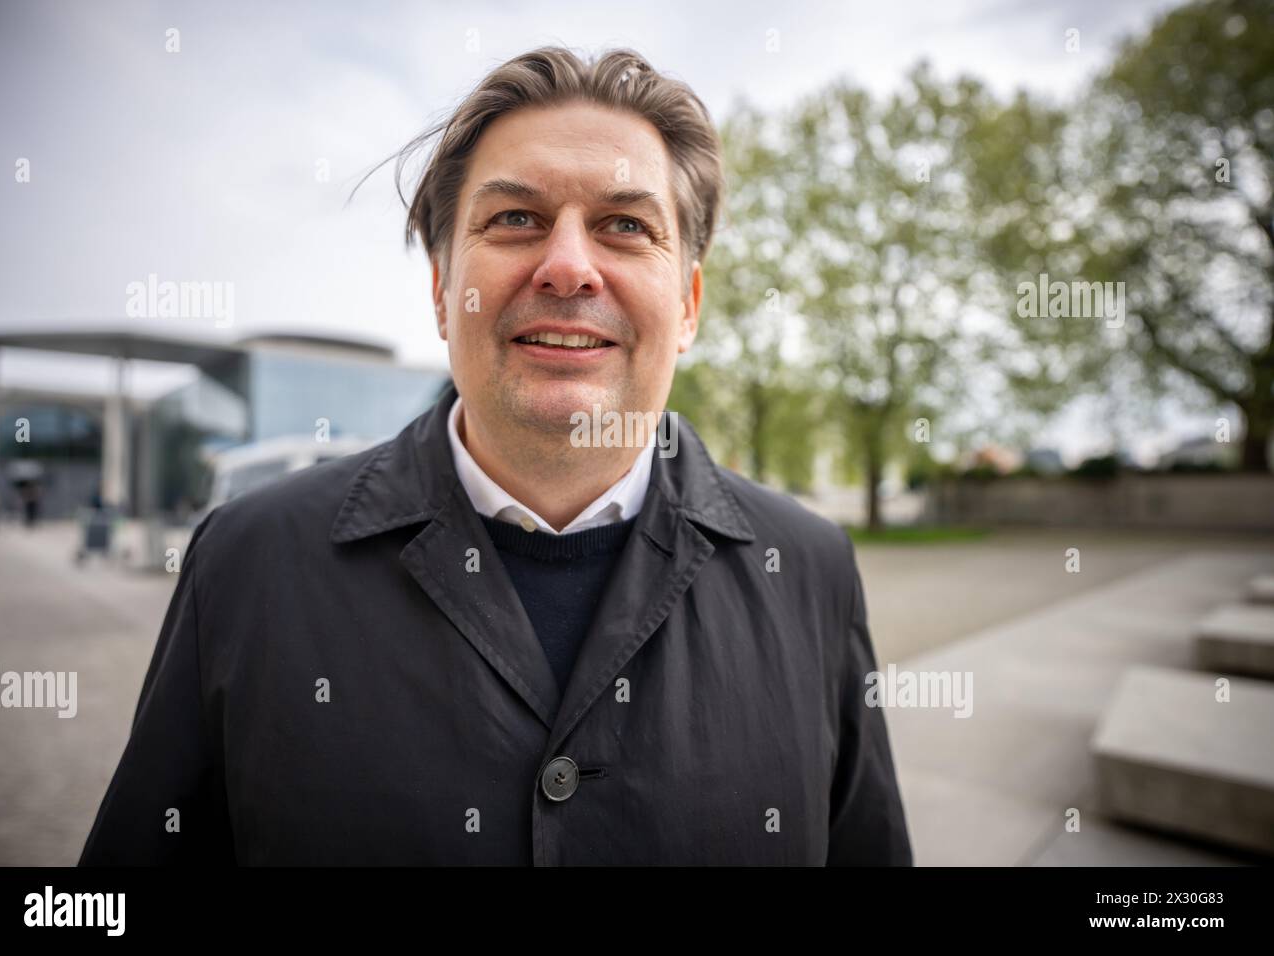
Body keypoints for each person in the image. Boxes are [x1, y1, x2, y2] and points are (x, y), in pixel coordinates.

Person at [79, 45, 913, 866]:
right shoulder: (246, 565)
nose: (568, 267)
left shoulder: (809, 571)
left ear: (688, 305)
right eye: (516, 218)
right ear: (442, 292)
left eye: (626, 225)